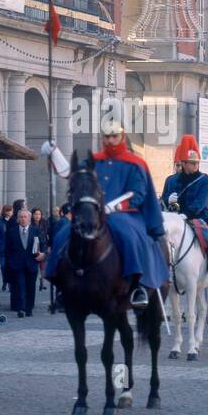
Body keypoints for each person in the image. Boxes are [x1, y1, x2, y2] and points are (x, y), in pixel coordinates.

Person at [43, 113, 168, 309]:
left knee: (129, 236)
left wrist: (116, 206)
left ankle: (138, 286)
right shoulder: (95, 161)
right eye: (107, 137)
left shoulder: (135, 163)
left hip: (126, 214)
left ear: (122, 136)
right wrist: (54, 152)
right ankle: (61, 283)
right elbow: (71, 173)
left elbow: (138, 193)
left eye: (114, 136)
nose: (110, 140)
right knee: (63, 233)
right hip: (93, 213)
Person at [161, 134, 208, 281]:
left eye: (197, 162)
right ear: (183, 163)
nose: (196, 166)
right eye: (192, 163)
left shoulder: (205, 180)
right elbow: (163, 199)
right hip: (175, 218)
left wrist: (186, 214)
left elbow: (200, 203)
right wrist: (167, 199)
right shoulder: (171, 180)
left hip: (199, 217)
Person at [5, 207, 41, 316]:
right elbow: (7, 248)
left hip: (31, 263)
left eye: (25, 217)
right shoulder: (12, 231)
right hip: (17, 264)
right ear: (18, 219)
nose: (23, 219)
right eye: (21, 217)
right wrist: (10, 261)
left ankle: (29, 308)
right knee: (20, 286)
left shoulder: (35, 230)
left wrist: (42, 254)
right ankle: (21, 308)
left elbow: (42, 244)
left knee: (30, 287)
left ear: (29, 219)